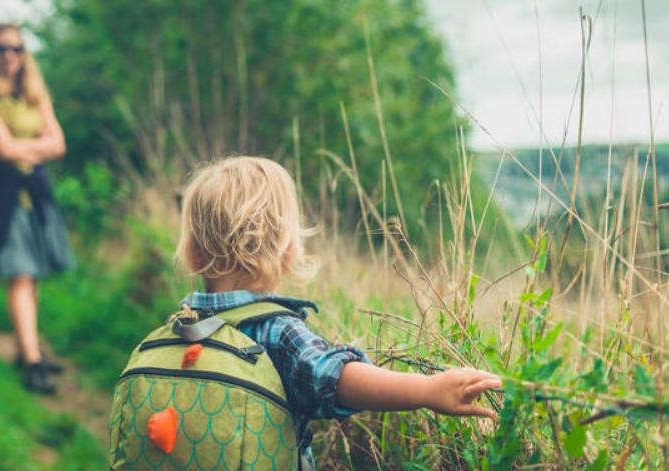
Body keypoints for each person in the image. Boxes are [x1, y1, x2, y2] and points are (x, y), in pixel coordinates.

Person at [109, 157, 500, 470]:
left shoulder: (182, 326)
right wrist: (427, 391)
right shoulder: (276, 331)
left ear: (193, 253)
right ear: (288, 251)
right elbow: (335, 378)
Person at [0, 23, 74, 394]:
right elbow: (2, 149)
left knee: (34, 274)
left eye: (16, 48)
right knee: (20, 273)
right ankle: (32, 361)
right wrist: (33, 148)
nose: (9, 55)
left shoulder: (35, 93)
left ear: (23, 53)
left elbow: (58, 143)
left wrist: (18, 149)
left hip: (37, 193)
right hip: (6, 196)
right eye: (1, 48)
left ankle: (26, 349)